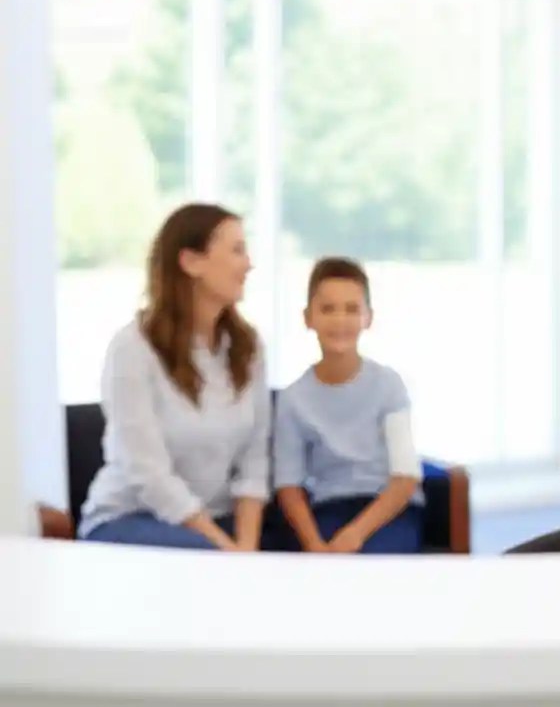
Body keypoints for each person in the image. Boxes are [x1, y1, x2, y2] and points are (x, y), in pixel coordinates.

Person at [79, 203, 270, 549]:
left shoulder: (248, 347)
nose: (249, 264)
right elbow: (148, 473)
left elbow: (254, 461)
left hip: (216, 518)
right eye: (237, 250)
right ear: (191, 262)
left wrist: (246, 547)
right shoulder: (132, 348)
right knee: (206, 560)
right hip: (131, 517)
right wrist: (226, 551)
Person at [272, 257, 425, 554]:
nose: (340, 320)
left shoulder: (389, 385)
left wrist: (357, 533)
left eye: (352, 309)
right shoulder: (293, 399)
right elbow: (288, 486)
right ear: (308, 317)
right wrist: (314, 545)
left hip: (387, 511)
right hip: (328, 508)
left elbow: (405, 479)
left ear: (368, 317)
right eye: (328, 309)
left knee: (370, 563)